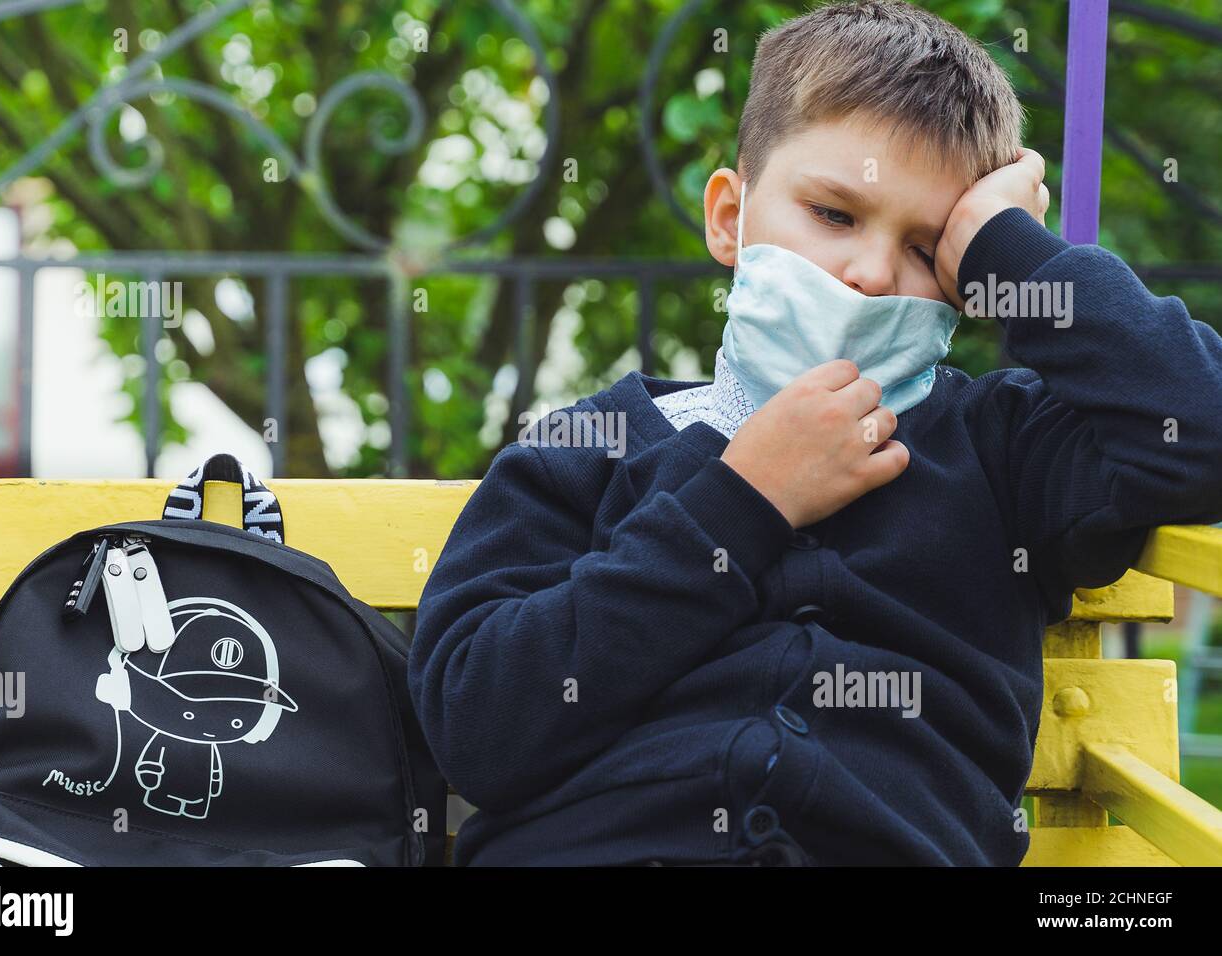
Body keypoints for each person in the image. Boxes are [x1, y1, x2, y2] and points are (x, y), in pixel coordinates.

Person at [409, 0, 1222, 865]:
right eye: (834, 214)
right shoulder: (588, 448)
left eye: (928, 245)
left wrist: (1009, 251)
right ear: (731, 218)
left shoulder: (1004, 448)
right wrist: (742, 500)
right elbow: (477, 727)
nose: (871, 273)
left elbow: (1200, 429)